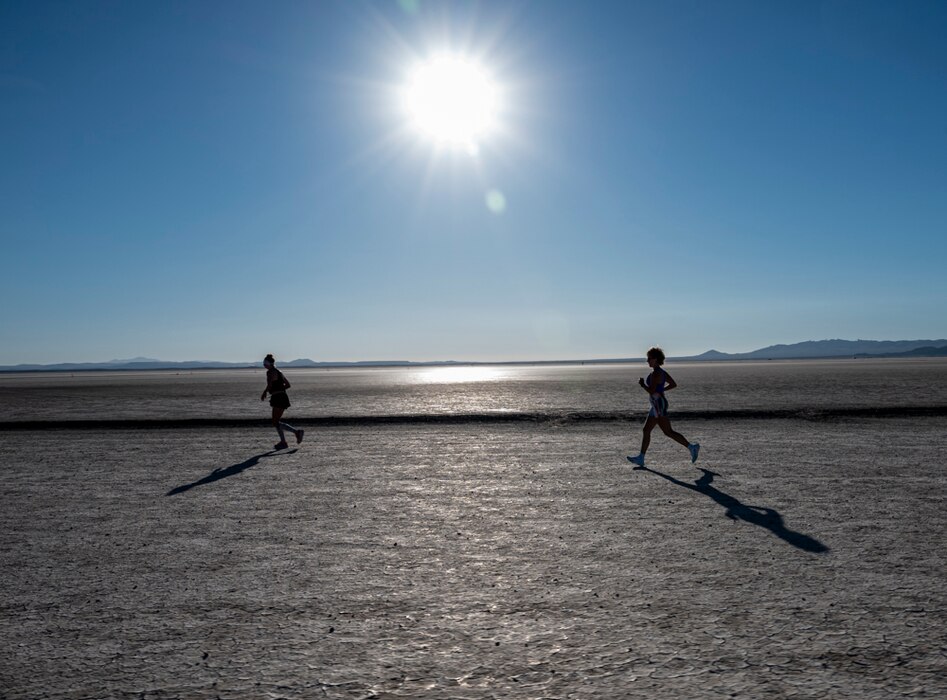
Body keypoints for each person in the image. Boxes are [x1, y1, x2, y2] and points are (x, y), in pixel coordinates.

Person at [627, 347, 699, 468]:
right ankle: (691, 447)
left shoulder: (656, 374)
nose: (647, 361)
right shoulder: (661, 372)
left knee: (660, 431)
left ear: (655, 359)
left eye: (649, 358)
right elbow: (673, 384)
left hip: (658, 405)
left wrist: (643, 384)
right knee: (660, 431)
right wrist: (661, 391)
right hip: (658, 404)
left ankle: (692, 447)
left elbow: (651, 390)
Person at [261, 354, 304, 450]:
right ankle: (290, 437)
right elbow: (288, 385)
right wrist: (280, 389)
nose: (264, 365)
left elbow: (269, 385)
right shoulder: (279, 372)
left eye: (265, 363)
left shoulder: (270, 372)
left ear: (268, 363)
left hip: (277, 398)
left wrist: (265, 392)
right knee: (276, 421)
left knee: (275, 421)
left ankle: (290, 437)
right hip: (283, 397)